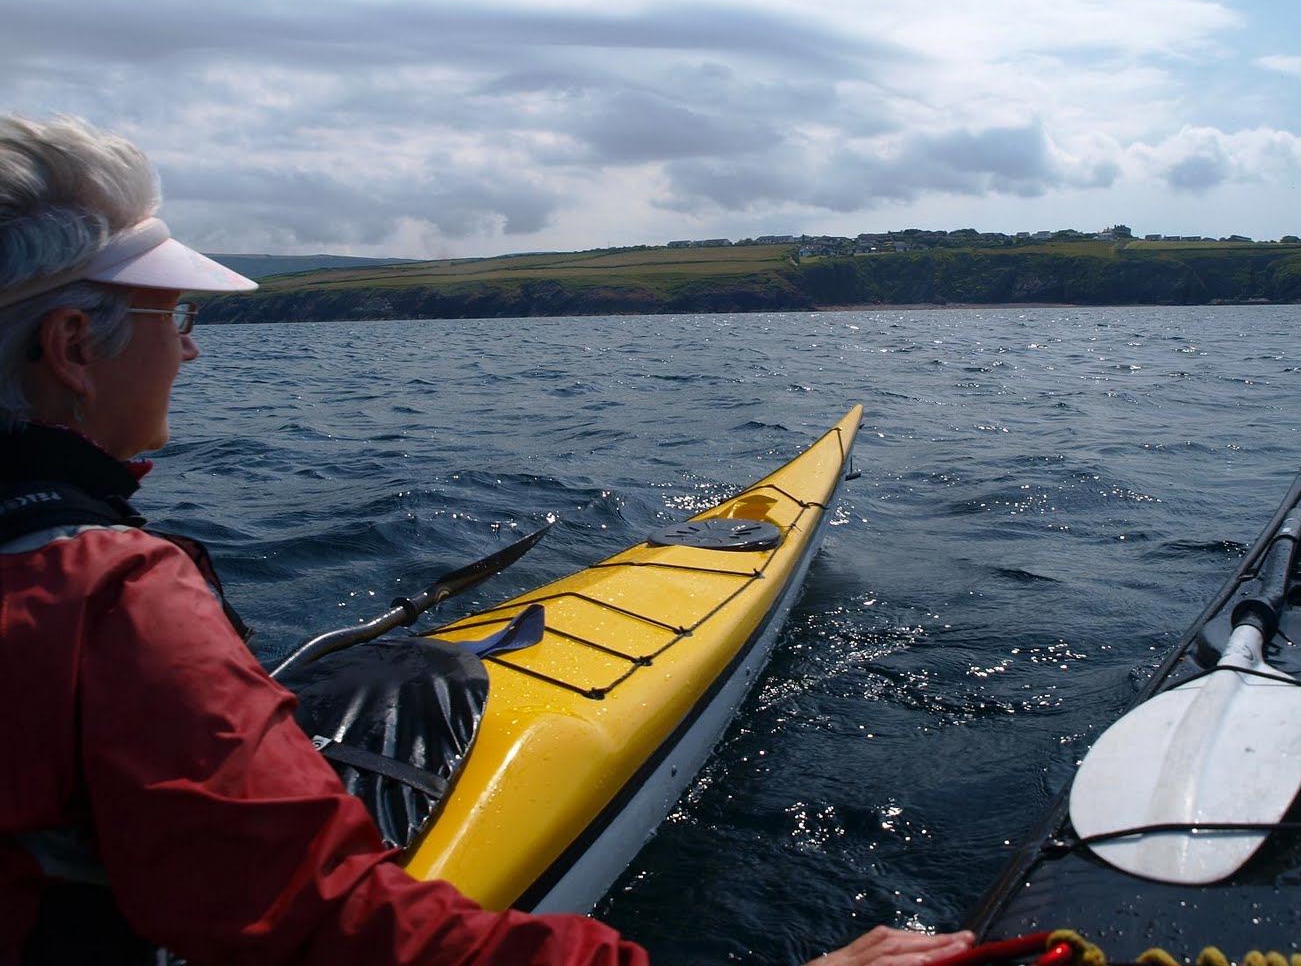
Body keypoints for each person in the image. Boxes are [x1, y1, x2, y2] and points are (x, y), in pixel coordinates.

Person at [0, 115, 977, 966]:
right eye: (174, 313)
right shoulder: (109, 596)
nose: (189, 345)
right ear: (74, 348)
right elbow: (323, 928)